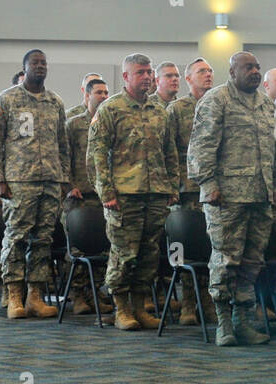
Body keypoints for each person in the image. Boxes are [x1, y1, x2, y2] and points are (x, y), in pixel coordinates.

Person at [188, 52, 276, 347]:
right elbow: (201, 147)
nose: (255, 72)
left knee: (252, 263)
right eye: (249, 67)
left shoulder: (267, 105)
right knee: (225, 261)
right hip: (226, 199)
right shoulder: (217, 100)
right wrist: (208, 183)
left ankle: (243, 322)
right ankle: (223, 323)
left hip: (261, 197)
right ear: (232, 72)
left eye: (258, 67)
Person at [88, 55, 178, 330]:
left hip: (156, 193)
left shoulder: (159, 110)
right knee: (124, 254)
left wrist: (172, 186)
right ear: (126, 77)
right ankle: (122, 309)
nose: (148, 77)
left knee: (149, 254)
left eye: (149, 72)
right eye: (141, 73)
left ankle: (140, 307)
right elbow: (97, 155)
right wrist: (106, 193)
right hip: (123, 195)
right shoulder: (110, 109)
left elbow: (170, 152)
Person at [0, 49, 70, 320]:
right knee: (17, 237)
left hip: (50, 181)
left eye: (44, 62)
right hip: (18, 181)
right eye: (35, 63)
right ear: (24, 67)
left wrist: (64, 178)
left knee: (43, 239)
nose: (40, 66)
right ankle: (13, 296)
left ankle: (35, 295)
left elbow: (63, 144)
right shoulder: (7, 99)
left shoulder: (55, 102)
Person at [165, 57, 218, 325]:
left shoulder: (219, 104)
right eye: (201, 71)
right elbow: (169, 149)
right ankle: (186, 302)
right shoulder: (177, 109)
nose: (208, 75)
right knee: (182, 247)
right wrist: (173, 185)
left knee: (210, 246)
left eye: (210, 71)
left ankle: (207, 302)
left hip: (213, 191)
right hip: (185, 190)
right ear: (188, 79)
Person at [63, 76, 111, 315]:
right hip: (79, 195)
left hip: (102, 195)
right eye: (99, 92)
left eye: (106, 93)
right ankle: (78, 295)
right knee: (79, 249)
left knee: (102, 246)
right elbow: (63, 157)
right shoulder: (73, 124)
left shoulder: (109, 122)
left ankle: (95, 293)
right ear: (87, 95)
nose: (103, 97)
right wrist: (69, 185)